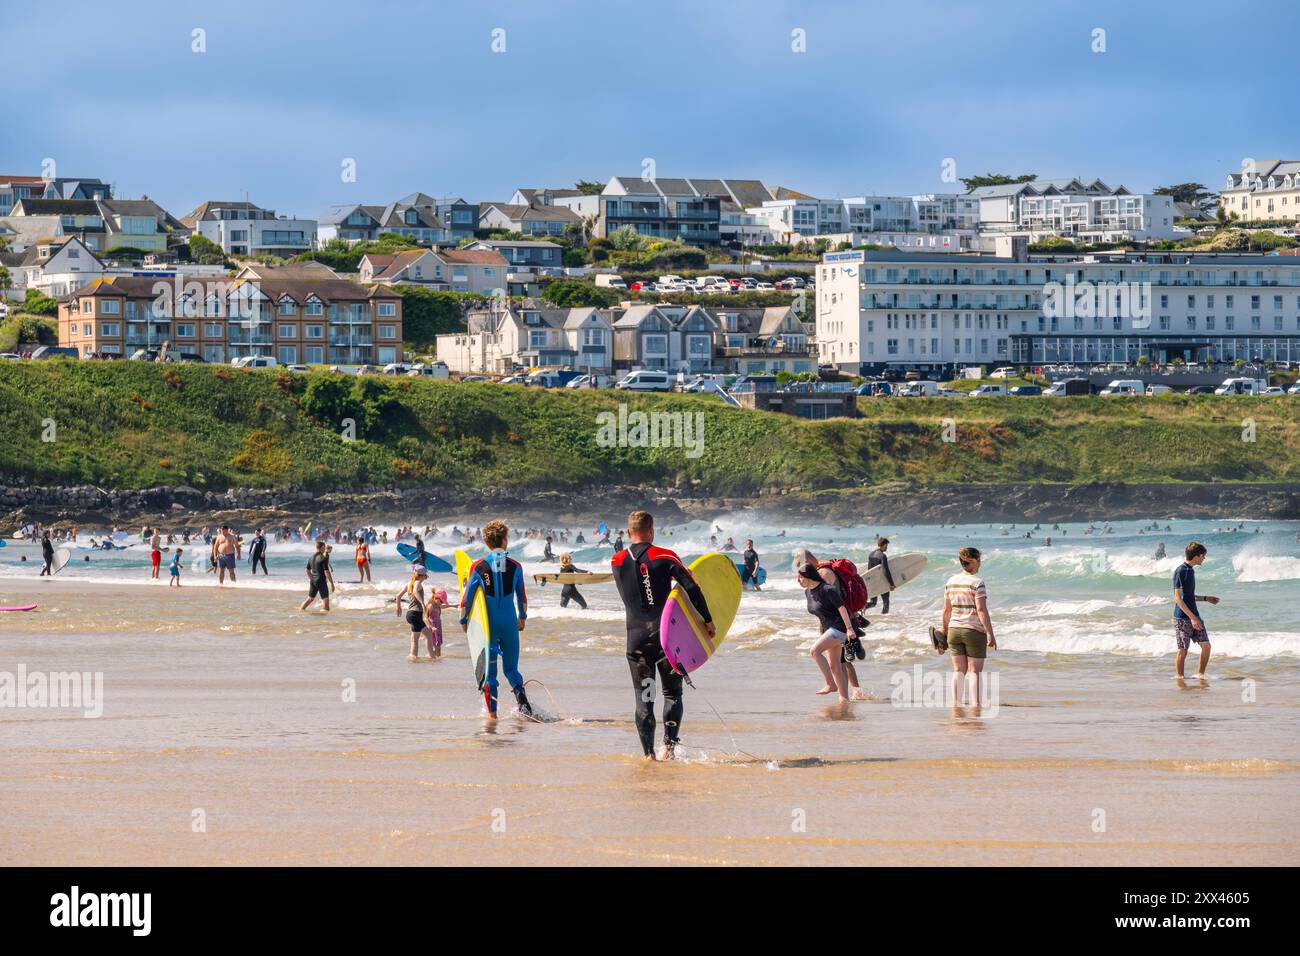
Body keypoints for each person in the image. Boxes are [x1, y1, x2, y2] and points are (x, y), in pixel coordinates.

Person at [611, 510, 713, 761]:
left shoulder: (616, 560)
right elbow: (691, 587)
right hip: (665, 639)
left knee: (644, 698)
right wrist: (707, 619)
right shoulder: (665, 555)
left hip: (635, 640)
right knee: (672, 694)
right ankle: (668, 748)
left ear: (628, 532)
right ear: (651, 529)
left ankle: (648, 755)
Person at [459, 520, 533, 718]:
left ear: (486, 541)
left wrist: (464, 621)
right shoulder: (516, 566)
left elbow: (466, 599)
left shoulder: (478, 566)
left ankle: (493, 716)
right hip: (509, 624)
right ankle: (523, 704)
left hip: (488, 627)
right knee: (511, 669)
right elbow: (522, 597)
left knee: (490, 675)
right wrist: (522, 618)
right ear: (505, 540)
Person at [931, 547, 997, 707]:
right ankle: (975, 705)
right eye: (979, 561)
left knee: (958, 670)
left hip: (954, 630)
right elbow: (981, 610)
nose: (980, 564)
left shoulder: (951, 581)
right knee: (974, 672)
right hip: (973, 631)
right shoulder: (977, 583)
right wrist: (990, 633)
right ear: (974, 562)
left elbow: (946, 610)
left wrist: (944, 630)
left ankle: (956, 704)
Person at [797, 562, 854, 701]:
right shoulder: (808, 592)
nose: (798, 581)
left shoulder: (827, 589)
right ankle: (844, 700)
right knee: (834, 666)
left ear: (808, 576)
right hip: (828, 630)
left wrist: (849, 629)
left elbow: (842, 608)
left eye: (800, 577)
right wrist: (823, 634)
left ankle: (830, 684)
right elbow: (822, 614)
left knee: (814, 651)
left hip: (840, 628)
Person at [1173, 541, 1219, 680]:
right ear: (1197, 556)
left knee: (1206, 646)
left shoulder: (1190, 571)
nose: (1204, 558)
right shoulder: (1181, 571)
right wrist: (1192, 618)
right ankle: (1180, 678)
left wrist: (1205, 598)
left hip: (1194, 616)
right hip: (1182, 618)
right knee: (1183, 651)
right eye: (1203, 556)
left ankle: (1200, 675)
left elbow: (1188, 597)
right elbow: (1178, 599)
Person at [398, 568, 438, 661]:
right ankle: (420, 657)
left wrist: (398, 606)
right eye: (425, 575)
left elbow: (398, 596)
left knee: (421, 636)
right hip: (416, 614)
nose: (426, 577)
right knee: (423, 636)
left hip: (410, 614)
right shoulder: (417, 583)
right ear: (422, 575)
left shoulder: (409, 583)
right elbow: (415, 591)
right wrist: (422, 603)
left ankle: (422, 656)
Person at [300, 541, 334, 612]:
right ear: (322, 547)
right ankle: (322, 619)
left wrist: (312, 579)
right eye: (324, 547)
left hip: (313, 581)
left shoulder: (311, 558)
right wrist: (332, 583)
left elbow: (307, 570)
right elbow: (326, 571)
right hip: (321, 580)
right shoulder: (322, 558)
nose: (325, 549)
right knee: (326, 604)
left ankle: (301, 610)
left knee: (310, 599)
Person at [866, 537, 895, 614]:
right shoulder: (882, 556)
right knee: (886, 602)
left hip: (873, 581)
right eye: (887, 546)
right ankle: (884, 620)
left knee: (873, 603)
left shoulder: (871, 554)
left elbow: (869, 570)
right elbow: (886, 570)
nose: (887, 548)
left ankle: (860, 608)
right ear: (884, 545)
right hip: (881, 582)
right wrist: (891, 584)